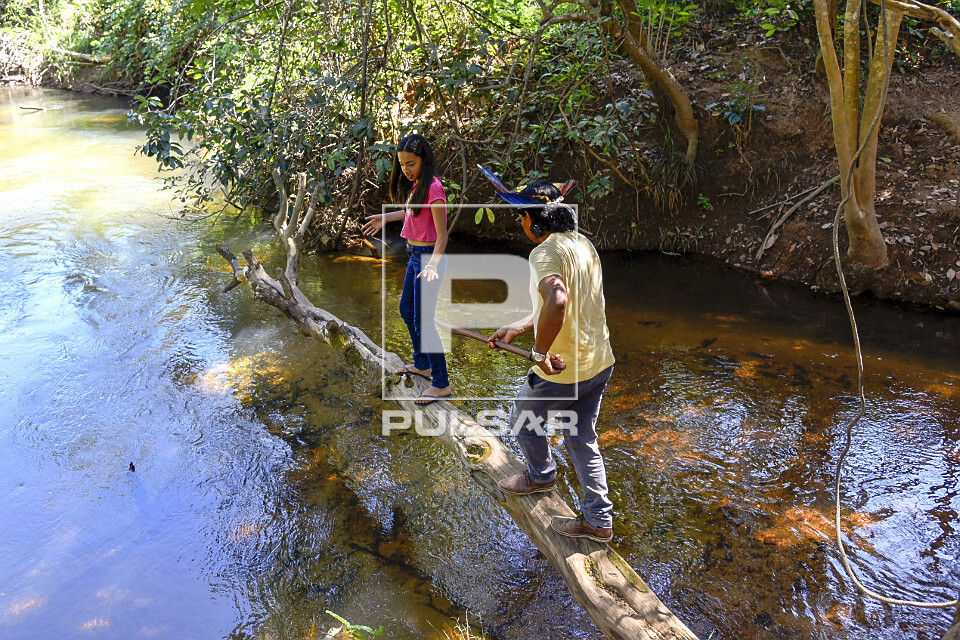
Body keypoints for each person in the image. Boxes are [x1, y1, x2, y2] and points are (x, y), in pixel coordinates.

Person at [487, 181, 616, 543]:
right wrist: (520, 326)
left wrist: (539, 355)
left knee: (522, 421)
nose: (521, 225)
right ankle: (598, 520)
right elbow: (565, 301)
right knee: (580, 436)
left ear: (532, 220)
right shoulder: (582, 242)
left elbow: (557, 301)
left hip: (564, 371)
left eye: (521, 219)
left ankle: (541, 475)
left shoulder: (543, 254)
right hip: (599, 362)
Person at [362, 134, 451, 405]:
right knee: (407, 311)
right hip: (415, 256)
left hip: (428, 258)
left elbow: (443, 236)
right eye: (402, 165)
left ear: (424, 159)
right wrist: (384, 218)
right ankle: (422, 364)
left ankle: (441, 383)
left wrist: (433, 264)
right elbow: (411, 211)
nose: (406, 170)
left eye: (411, 163)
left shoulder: (434, 189)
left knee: (424, 322)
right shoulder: (419, 187)